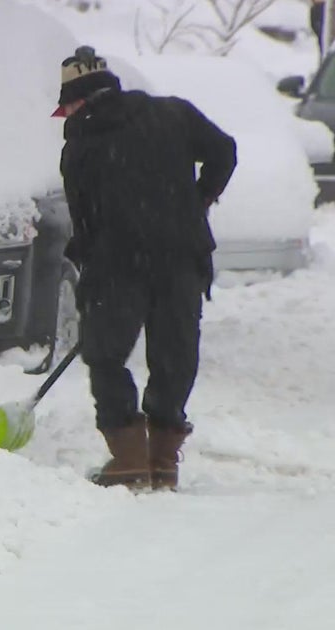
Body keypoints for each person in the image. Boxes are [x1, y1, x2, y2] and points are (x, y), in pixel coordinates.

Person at [54, 46, 236, 491]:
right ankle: (163, 460)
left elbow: (84, 220)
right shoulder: (171, 114)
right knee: (175, 355)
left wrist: (87, 266)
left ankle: (129, 459)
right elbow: (224, 151)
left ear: (78, 101)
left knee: (104, 354)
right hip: (181, 257)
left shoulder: (80, 147)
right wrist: (198, 200)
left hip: (117, 265)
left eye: (67, 108)